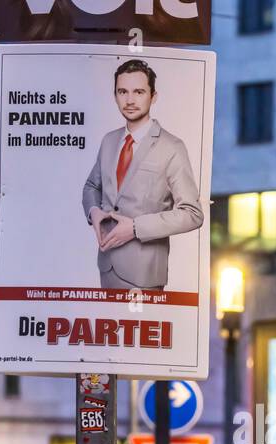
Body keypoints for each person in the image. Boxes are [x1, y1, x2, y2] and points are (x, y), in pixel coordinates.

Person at [82, 59, 203, 291]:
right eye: (122, 92)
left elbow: (192, 214)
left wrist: (136, 227)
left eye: (138, 92)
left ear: (153, 96)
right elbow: (91, 186)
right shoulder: (109, 141)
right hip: (107, 268)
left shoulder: (172, 147)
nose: (129, 100)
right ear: (115, 95)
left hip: (145, 275)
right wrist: (93, 211)